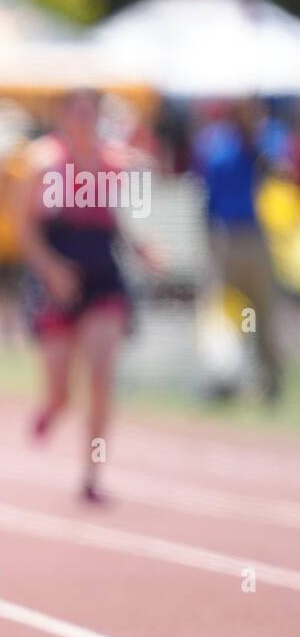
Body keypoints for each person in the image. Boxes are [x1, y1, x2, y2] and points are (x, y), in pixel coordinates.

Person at [15, 89, 160, 503]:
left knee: (99, 375)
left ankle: (92, 476)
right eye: (75, 112)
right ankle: (51, 407)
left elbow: (118, 220)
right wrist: (52, 271)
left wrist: (140, 249)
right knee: (62, 392)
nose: (83, 119)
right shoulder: (42, 164)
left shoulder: (115, 163)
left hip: (103, 281)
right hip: (55, 283)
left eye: (90, 112)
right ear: (63, 116)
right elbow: (23, 229)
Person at [194, 98, 284, 402]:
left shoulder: (262, 146)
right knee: (223, 314)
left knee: (261, 315)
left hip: (253, 239)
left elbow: (276, 174)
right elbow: (208, 200)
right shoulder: (222, 150)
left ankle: (268, 382)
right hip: (230, 239)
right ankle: (225, 380)